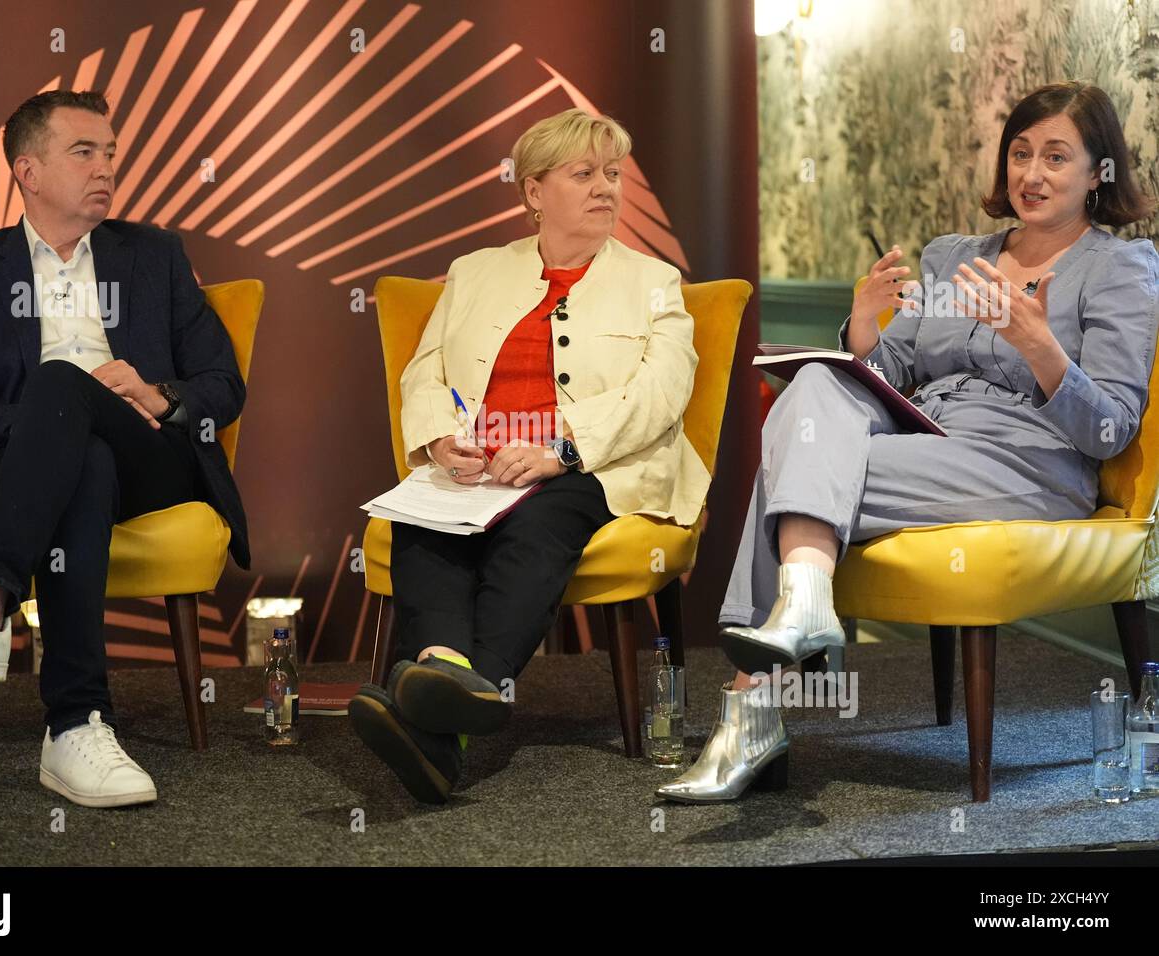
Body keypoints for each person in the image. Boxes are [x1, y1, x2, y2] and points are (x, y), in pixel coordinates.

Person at [657, 81, 1159, 804]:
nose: (1032, 174)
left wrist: (1041, 346)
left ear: (1097, 172)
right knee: (817, 390)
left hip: (1030, 463)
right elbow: (888, 380)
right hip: (925, 443)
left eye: (1056, 157)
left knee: (792, 469)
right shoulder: (953, 255)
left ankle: (751, 712)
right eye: (1020, 154)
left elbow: (1110, 428)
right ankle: (800, 604)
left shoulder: (1120, 269)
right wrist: (863, 330)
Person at [0, 90, 249, 808]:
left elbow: (224, 384)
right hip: (37, 473)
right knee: (77, 440)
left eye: (110, 153)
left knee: (72, 401)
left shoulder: (156, 255)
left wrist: (154, 394)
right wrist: (58, 419)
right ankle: (76, 726)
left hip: (153, 461)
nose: (106, 168)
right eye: (84, 152)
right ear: (28, 171)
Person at [349, 108, 709, 803]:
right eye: (584, 174)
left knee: (536, 524)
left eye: (613, 174)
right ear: (535, 191)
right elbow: (425, 371)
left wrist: (561, 444)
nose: (605, 187)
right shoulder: (477, 270)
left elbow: (664, 391)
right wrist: (438, 440)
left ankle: (432, 709)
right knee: (425, 520)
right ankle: (448, 691)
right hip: (480, 465)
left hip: (598, 466)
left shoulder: (653, 281)